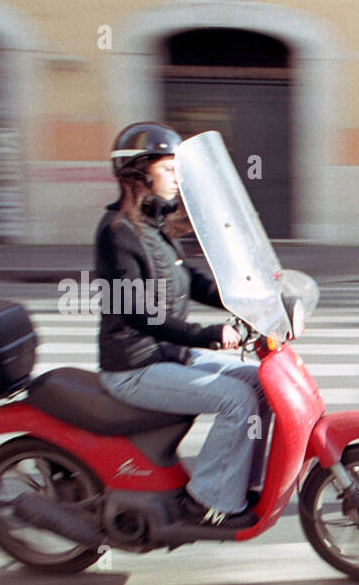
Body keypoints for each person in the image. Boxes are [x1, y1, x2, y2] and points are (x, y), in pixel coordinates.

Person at [96, 122, 269, 529]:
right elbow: (137, 314)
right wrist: (206, 334)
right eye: (169, 169)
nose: (177, 178)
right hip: (133, 367)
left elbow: (190, 280)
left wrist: (247, 298)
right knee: (236, 400)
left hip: (168, 355)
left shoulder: (153, 228)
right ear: (140, 173)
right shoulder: (117, 234)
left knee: (261, 382)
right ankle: (206, 501)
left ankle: (242, 482)